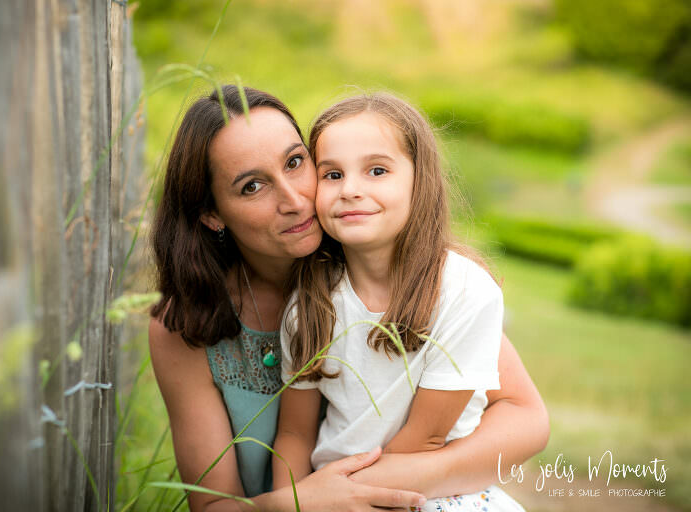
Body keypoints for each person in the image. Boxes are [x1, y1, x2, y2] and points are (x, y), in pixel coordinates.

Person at [148, 85, 548, 511]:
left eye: (296, 162)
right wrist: (304, 502)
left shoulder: (401, 267)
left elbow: (525, 419)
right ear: (212, 214)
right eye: (252, 186)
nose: (295, 198)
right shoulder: (203, 320)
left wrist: (374, 490)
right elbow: (215, 504)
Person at [273, 92, 528, 511]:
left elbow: (425, 438)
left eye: (376, 170)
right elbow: (295, 435)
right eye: (332, 175)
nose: (351, 190)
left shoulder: (464, 290)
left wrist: (340, 497)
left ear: (419, 180)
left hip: (430, 491)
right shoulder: (309, 306)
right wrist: (296, 503)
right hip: (330, 496)